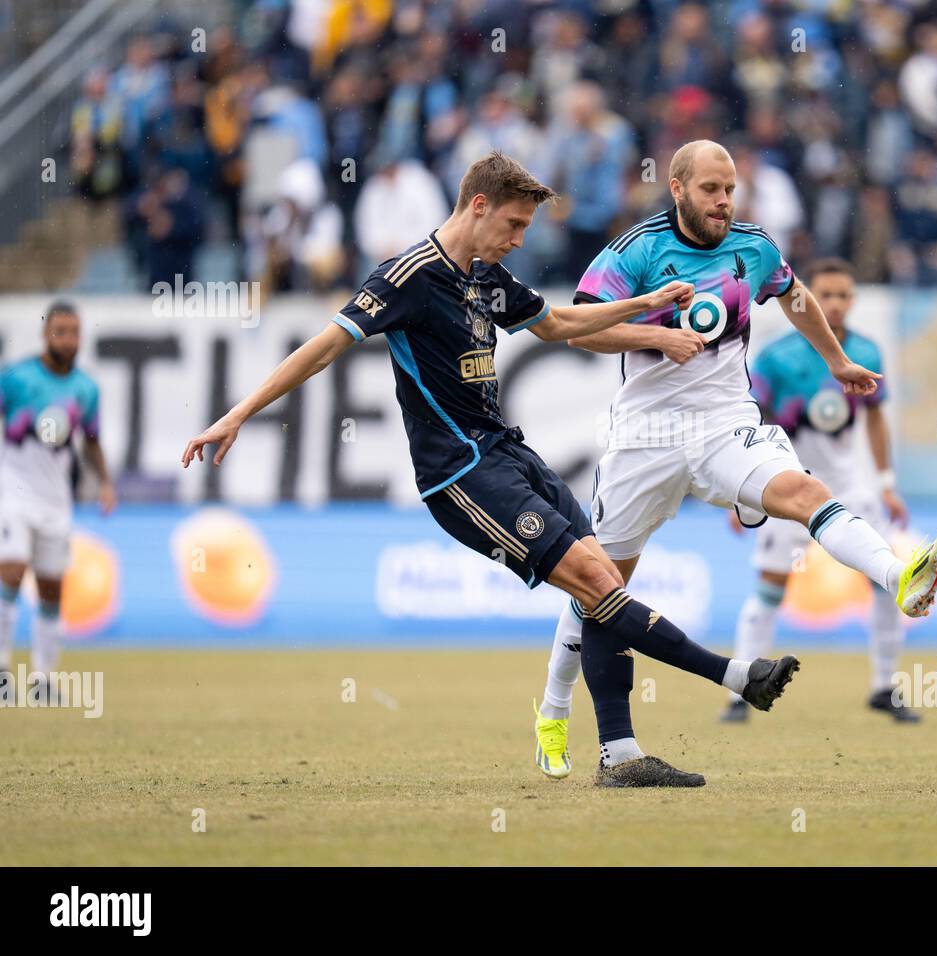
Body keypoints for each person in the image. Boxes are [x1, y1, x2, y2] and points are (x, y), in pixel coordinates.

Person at [181, 151, 798, 789]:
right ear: (477, 206)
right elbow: (323, 348)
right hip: (460, 472)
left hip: (508, 452)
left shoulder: (489, 276)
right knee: (594, 579)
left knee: (600, 582)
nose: (519, 240)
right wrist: (238, 414)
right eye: (513, 224)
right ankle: (736, 676)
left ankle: (619, 756)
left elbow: (557, 324)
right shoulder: (408, 277)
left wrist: (645, 309)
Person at [532, 141, 937, 779]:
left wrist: (835, 360)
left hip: (726, 423)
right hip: (644, 437)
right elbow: (576, 326)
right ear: (676, 188)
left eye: (729, 189)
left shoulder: (752, 247)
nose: (723, 201)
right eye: (709, 189)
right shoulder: (635, 251)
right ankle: (553, 707)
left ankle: (896, 576)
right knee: (600, 589)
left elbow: (794, 295)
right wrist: (656, 334)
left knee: (804, 493)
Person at [724, 258, 917, 724]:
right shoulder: (775, 356)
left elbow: (874, 419)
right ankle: (739, 691)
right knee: (770, 586)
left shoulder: (866, 351)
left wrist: (887, 484)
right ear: (808, 297)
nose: (834, 303)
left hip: (851, 486)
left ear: (853, 300)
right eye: (825, 294)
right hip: (788, 483)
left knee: (886, 580)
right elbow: (751, 422)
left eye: (843, 295)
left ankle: (884, 687)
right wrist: (742, 491)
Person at [0, 302, 115, 695]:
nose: (69, 339)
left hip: (55, 500)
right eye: (61, 331)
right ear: (46, 333)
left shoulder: (86, 389)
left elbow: (93, 441)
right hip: (12, 490)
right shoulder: (15, 379)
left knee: (51, 587)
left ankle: (43, 679)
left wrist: (106, 483)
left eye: (75, 332)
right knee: (11, 572)